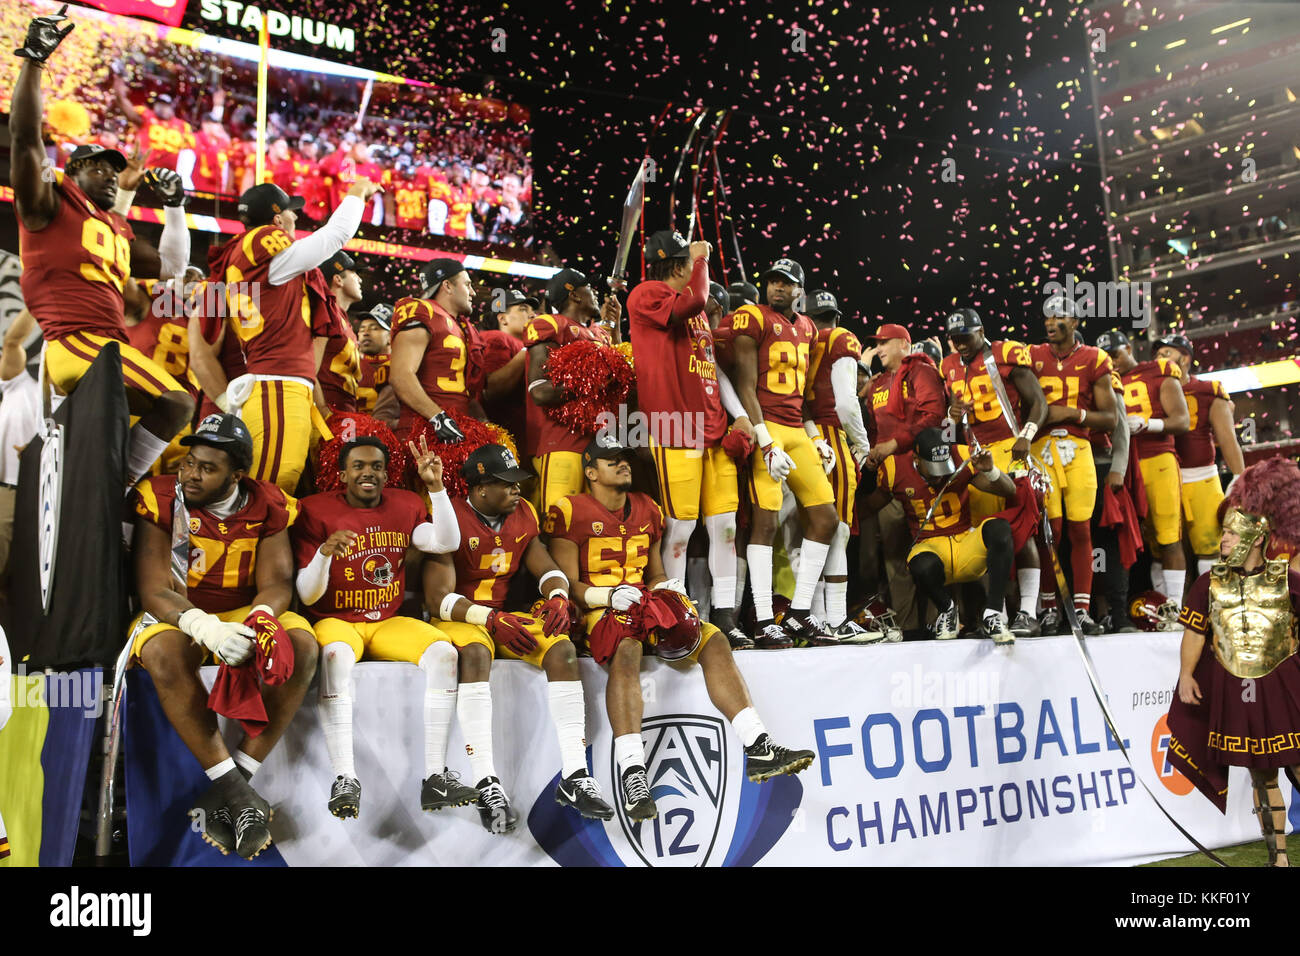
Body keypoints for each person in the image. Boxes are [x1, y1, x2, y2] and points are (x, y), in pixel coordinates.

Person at [546, 436, 815, 819]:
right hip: (599, 607)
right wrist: (607, 597)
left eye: (623, 458)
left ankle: (758, 745)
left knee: (712, 638)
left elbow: (654, 572)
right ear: (590, 472)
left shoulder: (646, 508)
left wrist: (667, 588)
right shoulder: (570, 511)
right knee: (628, 647)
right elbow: (567, 582)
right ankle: (632, 774)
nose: (623, 464)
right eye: (610, 460)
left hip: (643, 600)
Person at [11, 8, 196, 492]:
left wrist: (175, 206)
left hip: (104, 345)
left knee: (100, 439)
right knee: (177, 404)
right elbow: (26, 138)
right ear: (73, 174)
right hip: (81, 341)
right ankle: (120, 483)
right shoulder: (50, 203)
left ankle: (98, 488)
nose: (111, 176)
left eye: (115, 171)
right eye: (98, 169)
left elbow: (174, 268)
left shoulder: (114, 226)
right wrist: (33, 60)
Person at [129, 413, 319, 859]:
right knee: (164, 652)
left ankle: (235, 783)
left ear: (237, 475)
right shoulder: (162, 498)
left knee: (304, 646)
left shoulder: (265, 503)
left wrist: (260, 619)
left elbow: (276, 582)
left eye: (207, 468)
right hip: (178, 611)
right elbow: (154, 588)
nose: (191, 474)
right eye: (189, 462)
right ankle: (236, 790)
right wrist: (205, 628)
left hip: (242, 608)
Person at [423, 444, 614, 833]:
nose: (517, 491)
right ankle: (486, 782)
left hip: (502, 616)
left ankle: (576, 775)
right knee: (475, 654)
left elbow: (544, 565)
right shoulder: (450, 517)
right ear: (479, 489)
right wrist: (489, 617)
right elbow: (437, 598)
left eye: (517, 483)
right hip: (462, 616)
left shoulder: (522, 514)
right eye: (507, 485)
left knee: (561, 648)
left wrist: (558, 596)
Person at [294, 436, 472, 819]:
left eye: (376, 466)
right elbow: (307, 596)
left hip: (386, 620)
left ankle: (435, 776)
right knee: (336, 657)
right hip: (335, 620)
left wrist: (436, 488)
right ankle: (344, 776)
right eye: (358, 465)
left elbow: (445, 542)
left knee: (443, 653)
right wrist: (325, 553)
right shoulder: (315, 510)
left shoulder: (405, 503)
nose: (368, 473)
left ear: (387, 473)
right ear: (342, 474)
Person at [1166, 458, 1300, 866]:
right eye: (1222, 531)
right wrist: (1186, 674)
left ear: (1256, 536)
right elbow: (1195, 632)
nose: (1222, 538)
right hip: (1237, 685)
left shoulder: (1288, 580)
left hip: (1284, 683)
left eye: (1229, 531)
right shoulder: (1207, 583)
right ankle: (1278, 860)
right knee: (1262, 775)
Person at [208, 179, 382, 493]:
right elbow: (335, 235)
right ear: (277, 220)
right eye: (291, 213)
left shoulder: (245, 255)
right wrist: (357, 194)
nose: (296, 219)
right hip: (277, 385)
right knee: (270, 492)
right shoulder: (266, 246)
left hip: (279, 382)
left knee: (283, 490)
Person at [627, 231, 750, 644]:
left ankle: (725, 616)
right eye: (689, 262)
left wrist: (741, 417)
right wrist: (702, 261)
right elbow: (693, 300)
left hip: (713, 431)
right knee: (680, 529)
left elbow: (711, 369)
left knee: (725, 528)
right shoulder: (646, 293)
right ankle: (674, 619)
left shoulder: (693, 310)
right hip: (675, 428)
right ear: (677, 265)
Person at [728, 257, 839, 646]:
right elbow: (744, 384)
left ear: (799, 291)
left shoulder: (808, 327)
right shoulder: (753, 318)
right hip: (767, 427)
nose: (777, 287)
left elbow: (804, 394)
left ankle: (799, 612)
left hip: (795, 428)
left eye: (786, 283)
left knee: (827, 517)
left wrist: (816, 437)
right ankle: (762, 619)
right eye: (772, 280)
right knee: (766, 523)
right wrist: (766, 441)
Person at [940, 307, 1046, 636]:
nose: (960, 345)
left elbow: (1039, 402)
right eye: (955, 339)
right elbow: (952, 423)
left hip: (1011, 446)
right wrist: (951, 413)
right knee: (988, 535)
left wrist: (1026, 437)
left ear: (981, 329)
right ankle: (994, 613)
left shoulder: (1006, 353)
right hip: (979, 454)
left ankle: (1028, 611)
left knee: (1023, 528)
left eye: (966, 337)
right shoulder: (948, 366)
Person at [864, 427, 1021, 643]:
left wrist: (991, 470)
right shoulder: (895, 468)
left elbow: (1009, 490)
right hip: (931, 547)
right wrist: (866, 475)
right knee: (919, 563)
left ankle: (992, 612)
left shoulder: (961, 455)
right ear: (916, 459)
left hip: (965, 542)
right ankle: (947, 609)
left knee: (1000, 528)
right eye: (932, 468)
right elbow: (868, 507)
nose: (939, 475)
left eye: (942, 467)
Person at [1028, 295, 1120, 636]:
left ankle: (1081, 610)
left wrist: (1071, 413)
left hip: (1079, 448)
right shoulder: (1032, 355)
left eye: (1059, 317)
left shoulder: (1094, 358)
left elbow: (1110, 418)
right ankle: (1050, 608)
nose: (1051, 323)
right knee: (1050, 532)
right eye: (1047, 317)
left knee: (1081, 530)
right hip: (1041, 448)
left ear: (1076, 321)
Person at [1097, 329, 1190, 622]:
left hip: (1158, 459)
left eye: (1116, 353)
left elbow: (1182, 420)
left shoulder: (1160, 370)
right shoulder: (1105, 379)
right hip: (1126, 466)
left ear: (1128, 347)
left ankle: (1176, 608)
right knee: (1147, 544)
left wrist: (1150, 425)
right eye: (1107, 357)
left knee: (1168, 538)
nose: (1112, 361)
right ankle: (1162, 607)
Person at [801, 291, 878, 639]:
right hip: (830, 435)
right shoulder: (842, 339)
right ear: (836, 316)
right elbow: (846, 403)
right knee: (837, 530)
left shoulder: (798, 337)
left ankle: (816, 616)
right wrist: (861, 444)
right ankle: (833, 618)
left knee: (808, 531)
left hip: (801, 432)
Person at [860, 322, 946, 632]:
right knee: (895, 556)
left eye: (885, 343)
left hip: (925, 474)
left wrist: (894, 445)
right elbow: (872, 431)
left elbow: (933, 418)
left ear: (904, 346)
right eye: (877, 344)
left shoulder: (921, 372)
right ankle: (909, 627)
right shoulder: (877, 385)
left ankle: (944, 621)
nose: (879, 349)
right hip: (889, 480)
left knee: (936, 549)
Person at [524, 267, 622, 512]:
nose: (596, 293)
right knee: (560, 525)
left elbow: (620, 374)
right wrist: (589, 380)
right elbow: (540, 391)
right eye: (590, 288)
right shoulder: (551, 324)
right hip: (560, 443)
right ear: (575, 295)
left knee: (596, 527)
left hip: (600, 444)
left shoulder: (599, 333)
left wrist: (615, 326)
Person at [1154, 334, 1245, 579]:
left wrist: (1239, 476)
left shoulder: (1207, 390)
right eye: (1158, 354)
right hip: (1162, 477)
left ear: (1185, 358)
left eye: (1166, 353)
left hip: (1200, 477)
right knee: (1163, 549)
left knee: (1210, 547)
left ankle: (1212, 605)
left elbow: (1227, 437)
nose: (1159, 358)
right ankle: (1167, 610)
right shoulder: (1151, 388)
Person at [390, 258, 484, 444]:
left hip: (455, 430)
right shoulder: (424, 311)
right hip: (423, 431)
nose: (473, 292)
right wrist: (438, 418)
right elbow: (400, 375)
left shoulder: (463, 327)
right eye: (467, 284)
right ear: (447, 286)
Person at [479, 289, 535, 445]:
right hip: (506, 439)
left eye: (532, 310)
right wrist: (528, 349)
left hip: (525, 436)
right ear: (503, 319)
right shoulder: (496, 338)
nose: (533, 315)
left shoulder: (524, 344)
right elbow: (491, 390)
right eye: (523, 309)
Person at [113, 79, 195, 173]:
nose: (162, 108)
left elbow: (190, 153)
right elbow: (124, 105)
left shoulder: (183, 126)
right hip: (147, 169)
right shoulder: (146, 117)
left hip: (172, 174)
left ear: (172, 107)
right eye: (159, 104)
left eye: (165, 105)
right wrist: (119, 84)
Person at [317, 250, 363, 415]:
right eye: (354, 273)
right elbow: (310, 368)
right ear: (338, 279)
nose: (360, 279)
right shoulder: (326, 311)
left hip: (344, 411)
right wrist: (323, 410)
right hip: (326, 413)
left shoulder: (343, 318)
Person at [355, 303, 398, 428]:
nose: (366, 333)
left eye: (374, 328)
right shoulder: (350, 364)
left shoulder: (402, 367)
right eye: (362, 329)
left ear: (391, 336)